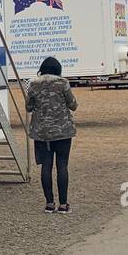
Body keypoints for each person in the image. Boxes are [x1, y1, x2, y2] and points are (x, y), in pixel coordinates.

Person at [24, 56, 77, 214]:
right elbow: (73, 105)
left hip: (41, 133)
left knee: (46, 166)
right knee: (62, 166)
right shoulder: (63, 83)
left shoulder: (33, 85)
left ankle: (49, 203)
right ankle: (63, 204)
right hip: (63, 131)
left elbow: (28, 107)